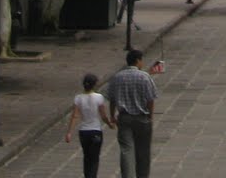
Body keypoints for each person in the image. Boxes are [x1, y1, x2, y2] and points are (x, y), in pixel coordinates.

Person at [106, 48, 159, 178]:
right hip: (142, 118)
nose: (142, 63)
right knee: (143, 151)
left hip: (124, 118)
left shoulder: (117, 77)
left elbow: (112, 99)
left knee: (126, 150)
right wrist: (150, 115)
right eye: (141, 60)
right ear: (137, 61)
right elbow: (150, 99)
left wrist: (112, 115)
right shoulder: (145, 77)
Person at [65, 71, 116, 178]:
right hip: (96, 131)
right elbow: (103, 116)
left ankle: (87, 176)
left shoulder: (78, 98)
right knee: (94, 158)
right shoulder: (99, 97)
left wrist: (69, 132)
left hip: (84, 132)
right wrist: (109, 124)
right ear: (94, 84)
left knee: (86, 156)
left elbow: (75, 116)